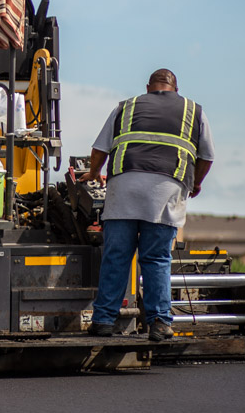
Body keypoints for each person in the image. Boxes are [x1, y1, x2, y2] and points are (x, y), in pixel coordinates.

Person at [80, 69, 214, 342]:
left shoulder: (125, 107)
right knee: (155, 259)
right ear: (175, 89)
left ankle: (104, 320)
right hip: (165, 192)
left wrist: (93, 174)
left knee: (116, 256)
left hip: (124, 190)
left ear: (148, 87)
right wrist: (195, 183)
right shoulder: (193, 110)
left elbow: (99, 150)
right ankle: (160, 323)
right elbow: (207, 157)